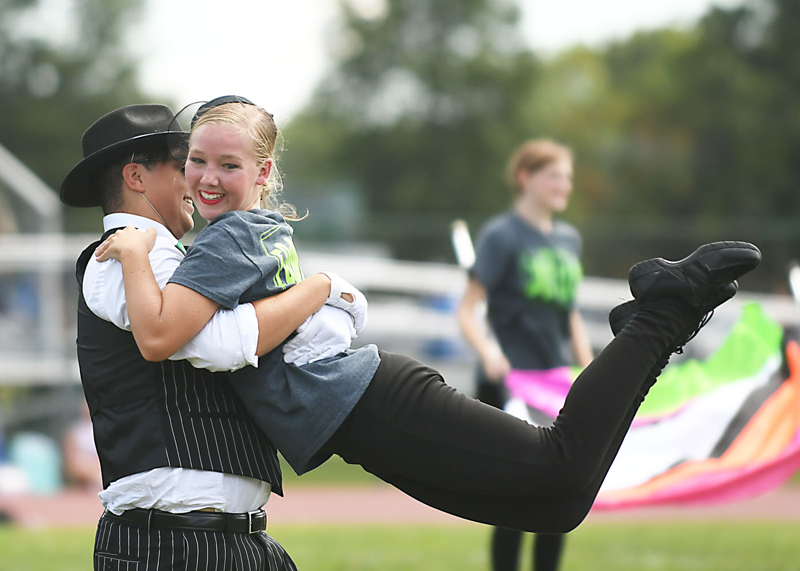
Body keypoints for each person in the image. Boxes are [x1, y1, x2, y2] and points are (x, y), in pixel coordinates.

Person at [95, 95, 762, 533]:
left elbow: (162, 333)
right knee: (558, 504)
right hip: (358, 416)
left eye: (229, 164)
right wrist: (327, 289)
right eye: (197, 162)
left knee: (560, 464)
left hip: (372, 401)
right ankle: (656, 323)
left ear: (263, 172)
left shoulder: (230, 236)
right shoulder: (238, 232)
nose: (208, 177)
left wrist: (130, 253)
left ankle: (662, 312)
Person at [61, 104, 363, 571]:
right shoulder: (129, 251)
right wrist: (319, 288)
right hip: (172, 541)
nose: (196, 180)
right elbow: (219, 342)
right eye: (184, 164)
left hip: (213, 538)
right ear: (137, 177)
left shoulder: (167, 254)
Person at [457, 139, 588, 571]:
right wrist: (490, 353)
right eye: (554, 175)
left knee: (558, 496)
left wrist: (587, 367)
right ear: (525, 178)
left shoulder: (569, 239)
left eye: (567, 177)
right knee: (515, 500)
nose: (563, 185)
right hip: (511, 382)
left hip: (557, 383)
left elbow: (568, 313)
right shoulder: (502, 236)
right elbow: (468, 310)